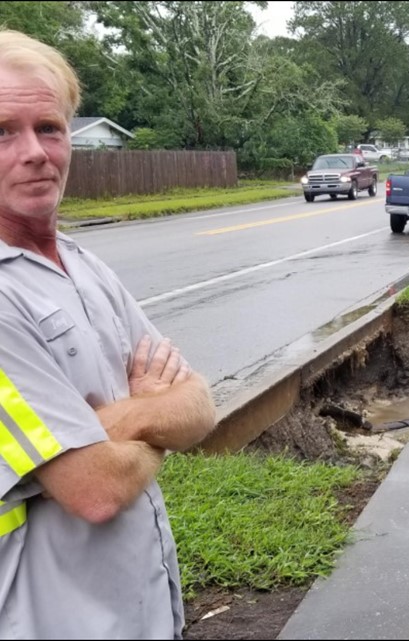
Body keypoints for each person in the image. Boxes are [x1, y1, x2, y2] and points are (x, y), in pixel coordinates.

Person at [0, 30, 217, 638]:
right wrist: (150, 413)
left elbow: (200, 409)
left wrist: (110, 427)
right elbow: (95, 488)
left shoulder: (82, 264)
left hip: (142, 612)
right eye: (2, 132)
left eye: (49, 127)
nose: (35, 151)